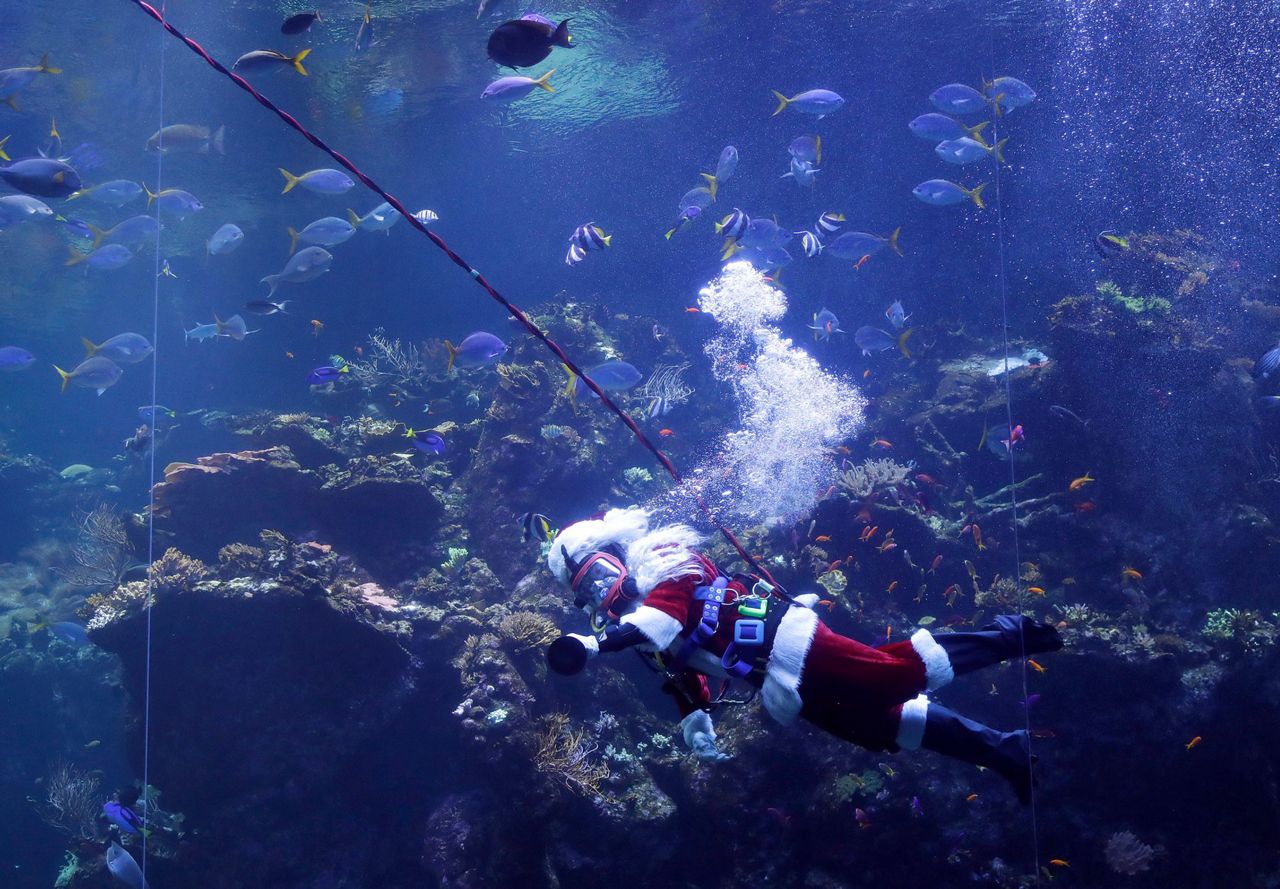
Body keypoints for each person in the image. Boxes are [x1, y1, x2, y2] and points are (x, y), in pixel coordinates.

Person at [544, 507, 1063, 803]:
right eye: (587, 589)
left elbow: (666, 617)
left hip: (789, 642)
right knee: (880, 725)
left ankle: (1007, 634)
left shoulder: (661, 562)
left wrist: (593, 644)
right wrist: (695, 717)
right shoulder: (631, 626)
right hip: (775, 680)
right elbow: (678, 667)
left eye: (599, 573)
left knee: (892, 676)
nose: (599, 590)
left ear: (614, 552)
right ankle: (1004, 751)